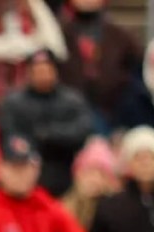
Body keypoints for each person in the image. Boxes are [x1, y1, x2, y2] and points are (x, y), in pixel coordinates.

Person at [0, 48, 93, 197]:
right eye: (37, 71)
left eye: (46, 70)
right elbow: (10, 136)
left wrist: (48, 134)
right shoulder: (14, 102)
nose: (42, 75)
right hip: (25, 166)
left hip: (64, 165)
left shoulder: (72, 100)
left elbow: (81, 132)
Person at [58, 0, 142, 134]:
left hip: (114, 111)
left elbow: (136, 68)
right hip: (69, 113)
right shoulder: (59, 34)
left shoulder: (119, 36)